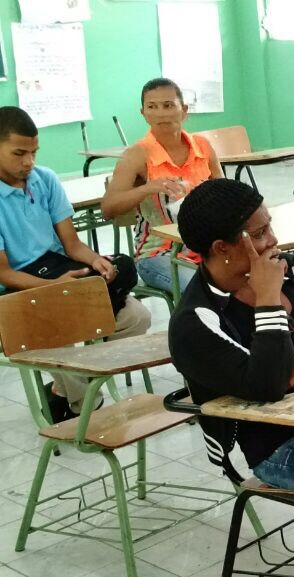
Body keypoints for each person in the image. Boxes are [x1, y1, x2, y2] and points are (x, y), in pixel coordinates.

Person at [168, 179, 294, 501]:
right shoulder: (194, 323)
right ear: (222, 248)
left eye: (269, 227)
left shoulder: (286, 269)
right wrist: (268, 299)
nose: (274, 240)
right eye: (259, 234)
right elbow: (270, 383)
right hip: (282, 446)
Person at [0, 106, 151, 423]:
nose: (29, 162)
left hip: (57, 267)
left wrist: (96, 261)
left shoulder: (45, 180)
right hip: (16, 288)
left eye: (34, 152)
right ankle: (85, 402)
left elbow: (72, 245)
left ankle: (65, 393)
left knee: (136, 313)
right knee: (63, 327)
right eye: (19, 153)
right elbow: (5, 274)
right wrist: (56, 289)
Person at [101, 78, 222, 294]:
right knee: (204, 291)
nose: (160, 113)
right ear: (143, 113)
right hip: (159, 254)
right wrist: (148, 188)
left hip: (206, 247)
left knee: (255, 276)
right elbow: (109, 209)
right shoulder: (137, 155)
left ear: (184, 110)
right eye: (152, 107)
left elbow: (225, 194)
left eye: (168, 105)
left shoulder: (202, 146)